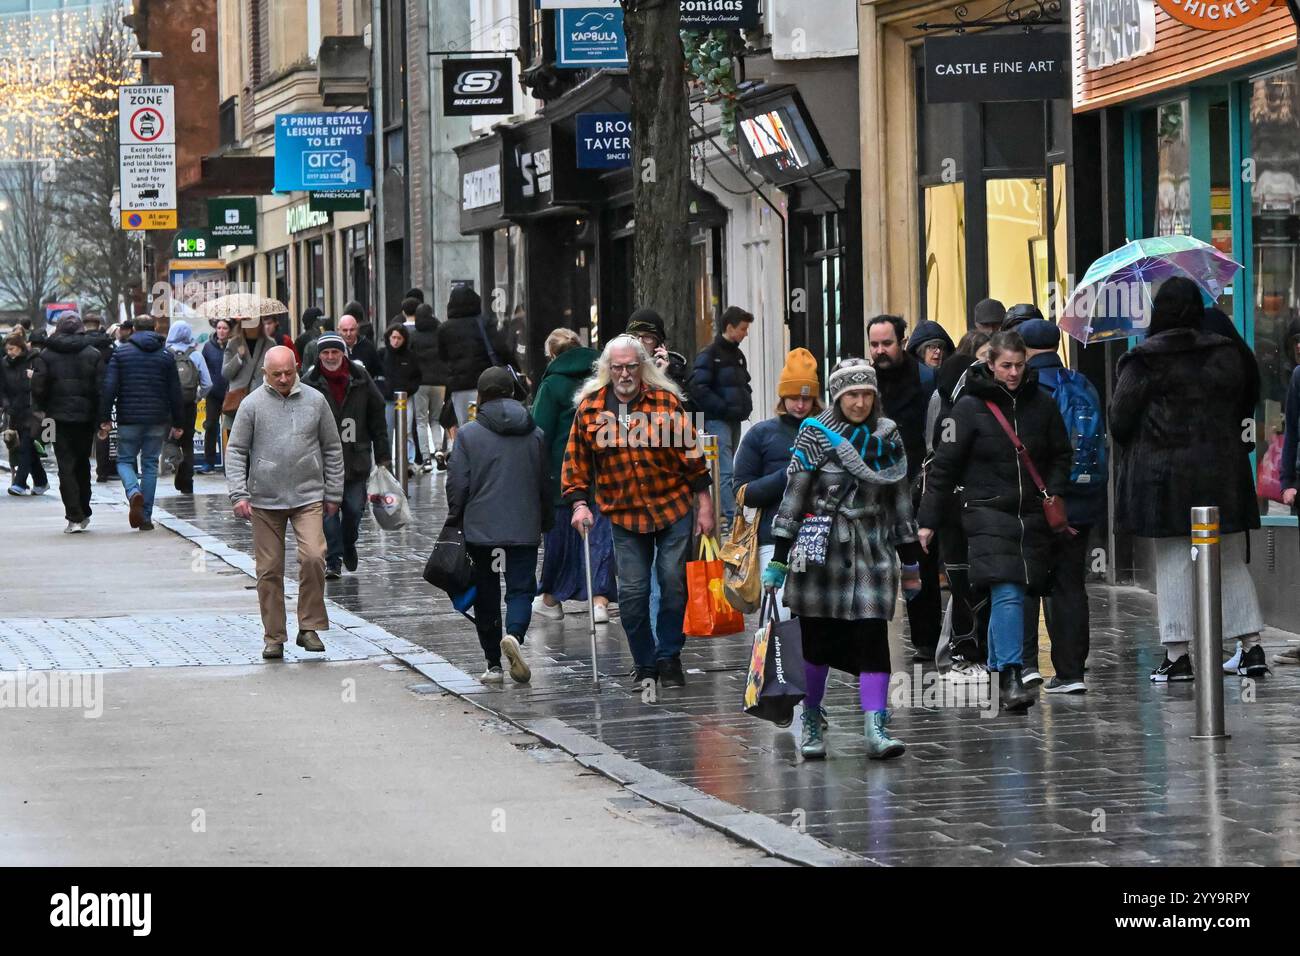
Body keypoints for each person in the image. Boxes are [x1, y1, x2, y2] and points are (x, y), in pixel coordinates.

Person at [761, 359, 922, 760]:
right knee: (818, 643)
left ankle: (876, 727)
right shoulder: (814, 434)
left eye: (867, 393)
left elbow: (901, 502)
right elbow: (794, 496)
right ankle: (812, 718)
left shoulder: (889, 436)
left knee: (873, 638)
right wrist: (779, 558)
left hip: (872, 551)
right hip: (820, 554)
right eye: (852, 394)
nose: (860, 401)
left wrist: (910, 560)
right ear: (837, 396)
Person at [1110, 277, 1267, 681]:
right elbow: (1245, 400)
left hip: (1164, 480)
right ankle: (1251, 649)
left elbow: (1120, 420)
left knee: (1176, 562)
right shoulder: (1228, 354)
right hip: (1221, 474)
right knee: (1228, 558)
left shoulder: (1144, 359)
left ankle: (1178, 655)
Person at [917, 330, 1072, 713]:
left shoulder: (1042, 405)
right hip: (986, 510)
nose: (1014, 373)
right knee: (1009, 590)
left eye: (1020, 365)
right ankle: (1011, 676)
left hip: (1032, 514)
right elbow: (943, 467)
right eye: (1006, 366)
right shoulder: (968, 408)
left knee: (1011, 593)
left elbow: (1061, 454)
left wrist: (1051, 491)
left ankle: (998, 667)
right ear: (991, 364)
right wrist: (927, 521)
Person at [562, 335, 713, 688]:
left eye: (631, 366)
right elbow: (575, 464)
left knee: (673, 584)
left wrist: (704, 504)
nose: (625, 374)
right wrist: (579, 504)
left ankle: (668, 655)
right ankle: (644, 662)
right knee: (632, 594)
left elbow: (693, 457)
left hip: (672, 507)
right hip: (625, 514)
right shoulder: (591, 409)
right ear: (607, 369)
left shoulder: (665, 401)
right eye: (618, 367)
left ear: (642, 366)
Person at [226, 346, 343, 659]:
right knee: (268, 569)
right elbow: (236, 450)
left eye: (288, 373)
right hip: (264, 499)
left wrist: (333, 494)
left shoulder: (315, 401)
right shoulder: (251, 405)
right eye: (275, 374)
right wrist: (238, 493)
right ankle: (274, 636)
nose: (282, 379)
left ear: (298, 368)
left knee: (315, 557)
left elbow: (332, 448)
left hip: (308, 495)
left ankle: (310, 626)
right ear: (265, 373)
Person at [447, 367, 552, 684]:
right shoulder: (536, 434)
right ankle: (515, 637)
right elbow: (545, 483)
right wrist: (546, 520)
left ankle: (493, 664)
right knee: (521, 589)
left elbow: (458, 485)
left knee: (487, 595)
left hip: (482, 531)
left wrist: (456, 517)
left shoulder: (468, 435)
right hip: (523, 527)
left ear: (480, 396)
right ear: (513, 393)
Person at [1018, 319, 1106, 693]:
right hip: (1082, 502)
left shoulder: (1026, 388)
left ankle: (1024, 667)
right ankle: (1071, 672)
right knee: (1070, 584)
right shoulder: (1082, 383)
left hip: (1040, 500)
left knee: (1026, 582)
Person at [867, 314, 941, 662]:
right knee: (871, 567)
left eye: (887, 343)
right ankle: (868, 638)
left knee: (917, 568)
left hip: (914, 485)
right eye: (875, 344)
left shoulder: (926, 381)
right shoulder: (864, 383)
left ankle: (925, 639)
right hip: (872, 488)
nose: (880, 351)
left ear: (902, 342)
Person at [530, 329, 614, 623]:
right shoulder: (603, 376)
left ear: (553, 355)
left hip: (563, 472)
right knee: (601, 534)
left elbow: (540, 431)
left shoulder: (552, 384)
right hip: (603, 467)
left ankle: (552, 598)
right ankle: (600, 602)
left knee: (561, 540)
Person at [733, 347, 822, 620]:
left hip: (820, 537)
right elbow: (742, 492)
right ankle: (778, 663)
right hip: (772, 538)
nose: (800, 404)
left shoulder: (827, 430)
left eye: (806, 398)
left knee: (815, 622)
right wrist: (790, 474)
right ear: (783, 395)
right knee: (780, 619)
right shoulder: (761, 434)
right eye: (794, 396)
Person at [926, 330, 992, 681]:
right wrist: (927, 520)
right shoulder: (950, 413)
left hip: (976, 507)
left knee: (975, 581)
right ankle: (961, 651)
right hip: (956, 510)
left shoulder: (979, 408)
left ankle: (968, 649)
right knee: (961, 579)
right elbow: (938, 465)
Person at [301, 332, 389, 579]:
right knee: (328, 514)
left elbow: (377, 414)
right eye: (326, 353)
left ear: (343, 353)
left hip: (355, 459)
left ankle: (349, 542)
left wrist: (383, 456)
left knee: (353, 509)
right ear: (319, 356)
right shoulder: (309, 382)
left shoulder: (361, 378)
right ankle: (333, 560)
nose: (330, 357)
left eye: (335, 352)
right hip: (322, 463)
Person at [98, 314, 183, 531]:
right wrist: (179, 421)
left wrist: (105, 418)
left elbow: (109, 387)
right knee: (150, 464)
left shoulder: (121, 353)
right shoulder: (166, 355)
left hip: (128, 417)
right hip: (157, 418)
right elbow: (175, 391)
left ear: (133, 329)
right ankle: (145, 516)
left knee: (125, 460)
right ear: (154, 328)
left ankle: (133, 491)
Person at [690, 306, 754, 526]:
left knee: (728, 467)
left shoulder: (736, 354)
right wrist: (723, 408)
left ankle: (732, 514)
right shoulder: (710, 355)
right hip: (719, 419)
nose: (746, 333)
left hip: (733, 418)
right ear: (730, 327)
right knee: (725, 469)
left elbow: (742, 383)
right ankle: (732, 516)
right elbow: (699, 388)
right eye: (743, 328)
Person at [438, 286, 507, 428]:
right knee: (488, 422)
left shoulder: (445, 328)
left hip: (459, 385)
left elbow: (443, 356)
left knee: (466, 424)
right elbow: (501, 349)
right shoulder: (484, 322)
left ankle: (470, 448)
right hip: (485, 383)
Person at [164, 320, 212, 495]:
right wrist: (197, 397)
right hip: (189, 405)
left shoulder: (165, 354)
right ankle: (187, 482)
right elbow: (207, 383)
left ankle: (176, 462)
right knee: (188, 443)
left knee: (168, 440)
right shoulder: (196, 355)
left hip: (169, 406)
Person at [2, 331, 48, 498]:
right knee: (28, 448)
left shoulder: (35, 360)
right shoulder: (5, 364)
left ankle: (20, 483)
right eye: (7, 350)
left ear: (21, 347)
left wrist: (33, 377)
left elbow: (45, 383)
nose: (10, 353)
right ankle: (41, 481)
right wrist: (6, 404)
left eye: (12, 349)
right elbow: (3, 388)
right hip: (15, 411)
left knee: (26, 446)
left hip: (34, 411)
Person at [409, 302, 447, 472]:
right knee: (436, 419)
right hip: (440, 382)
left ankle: (426, 459)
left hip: (421, 383)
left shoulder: (414, 336)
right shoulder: (440, 334)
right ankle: (439, 449)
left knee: (421, 420)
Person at [378, 322, 422, 467]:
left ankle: (408, 461)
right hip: (388, 399)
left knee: (407, 430)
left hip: (405, 398)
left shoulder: (410, 356)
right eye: (393, 337)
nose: (395, 341)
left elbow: (417, 376)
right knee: (388, 431)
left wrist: (409, 389)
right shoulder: (382, 354)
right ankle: (388, 460)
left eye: (399, 338)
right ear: (389, 337)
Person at [626, 308, 692, 405]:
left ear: (658, 344)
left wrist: (665, 377)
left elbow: (691, 414)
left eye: (647, 337)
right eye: (634, 336)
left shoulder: (676, 370)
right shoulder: (617, 367)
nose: (639, 342)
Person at [221, 314, 271, 435]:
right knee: (238, 443)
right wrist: (238, 357)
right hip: (238, 402)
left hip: (262, 400)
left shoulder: (269, 344)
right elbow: (226, 373)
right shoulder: (233, 343)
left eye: (252, 320)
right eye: (246, 321)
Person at [198, 317, 230, 474]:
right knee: (210, 426)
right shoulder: (208, 347)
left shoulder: (234, 346)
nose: (221, 331)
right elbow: (203, 368)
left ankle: (232, 462)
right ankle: (208, 462)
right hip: (213, 393)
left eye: (225, 328)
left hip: (231, 392)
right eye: (219, 328)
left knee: (232, 427)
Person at [336, 311, 384, 385]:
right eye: (345, 330)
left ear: (357, 329)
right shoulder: (333, 347)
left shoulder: (368, 347)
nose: (348, 334)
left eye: (352, 330)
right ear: (339, 330)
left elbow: (378, 373)